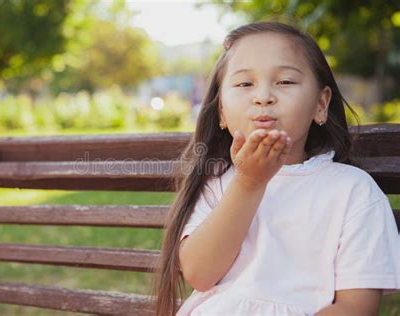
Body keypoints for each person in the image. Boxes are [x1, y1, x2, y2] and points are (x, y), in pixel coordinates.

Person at [151, 21, 400, 316]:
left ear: (321, 104)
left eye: (285, 81)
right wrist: (248, 183)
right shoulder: (217, 183)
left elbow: (357, 308)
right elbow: (200, 274)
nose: (263, 96)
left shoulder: (353, 191)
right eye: (245, 83)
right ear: (221, 111)